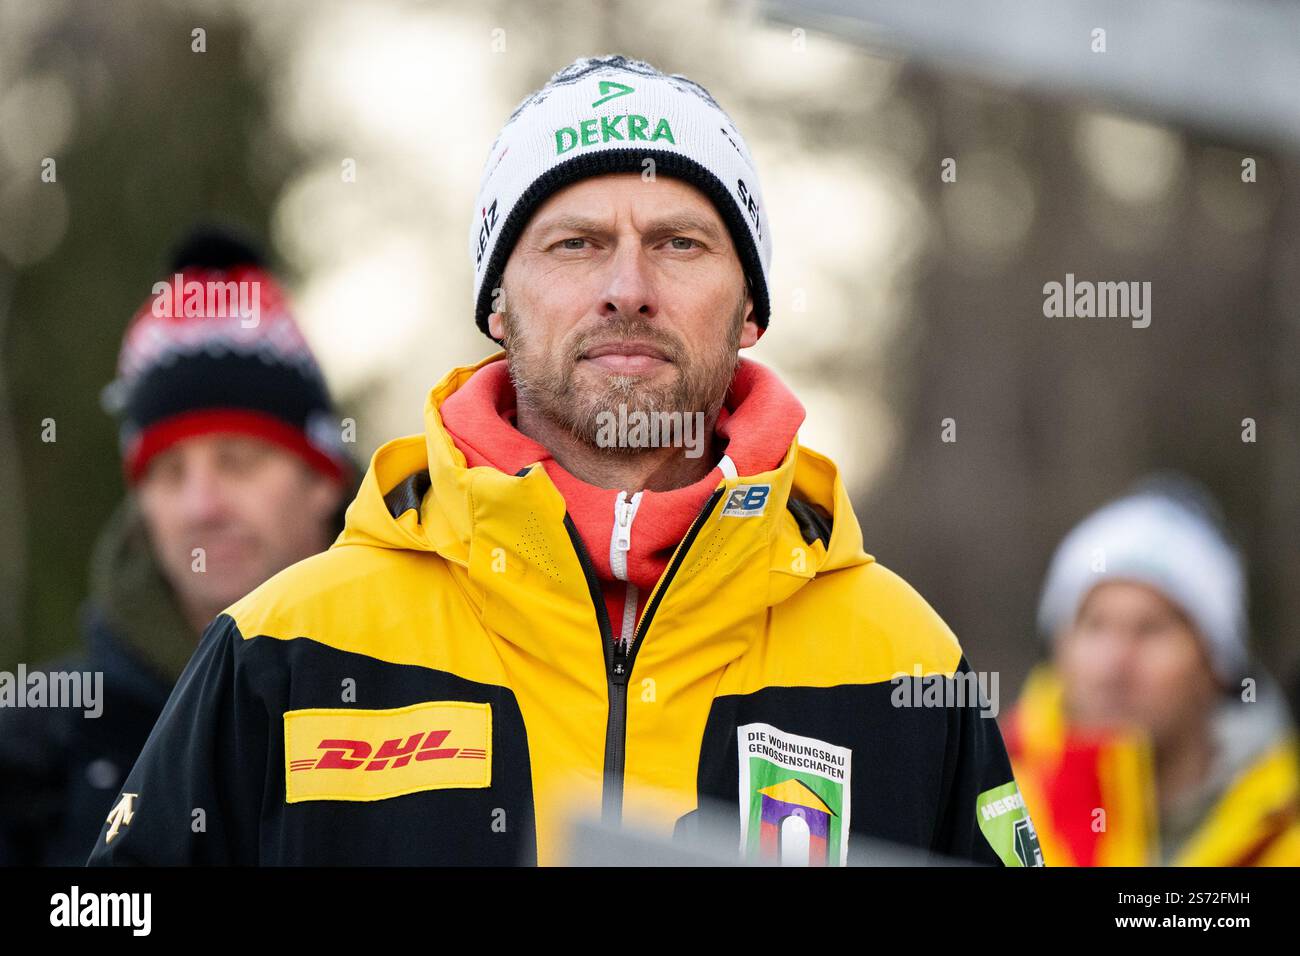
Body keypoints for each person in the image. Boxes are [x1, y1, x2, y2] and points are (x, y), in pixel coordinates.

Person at [88, 55, 1041, 867]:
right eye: (576, 244)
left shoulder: (905, 663)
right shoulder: (289, 647)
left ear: (749, 307)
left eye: (679, 243)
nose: (628, 289)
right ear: (498, 306)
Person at [0, 227, 352, 865]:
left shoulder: (432, 698)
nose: (201, 506)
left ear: (324, 479)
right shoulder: (32, 751)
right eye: (167, 473)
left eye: (238, 461)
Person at [1002, 474, 1300, 865]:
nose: (1115, 662)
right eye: (1094, 626)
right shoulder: (989, 806)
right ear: (1059, 648)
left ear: (1216, 663)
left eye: (1151, 629)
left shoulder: (1282, 829)